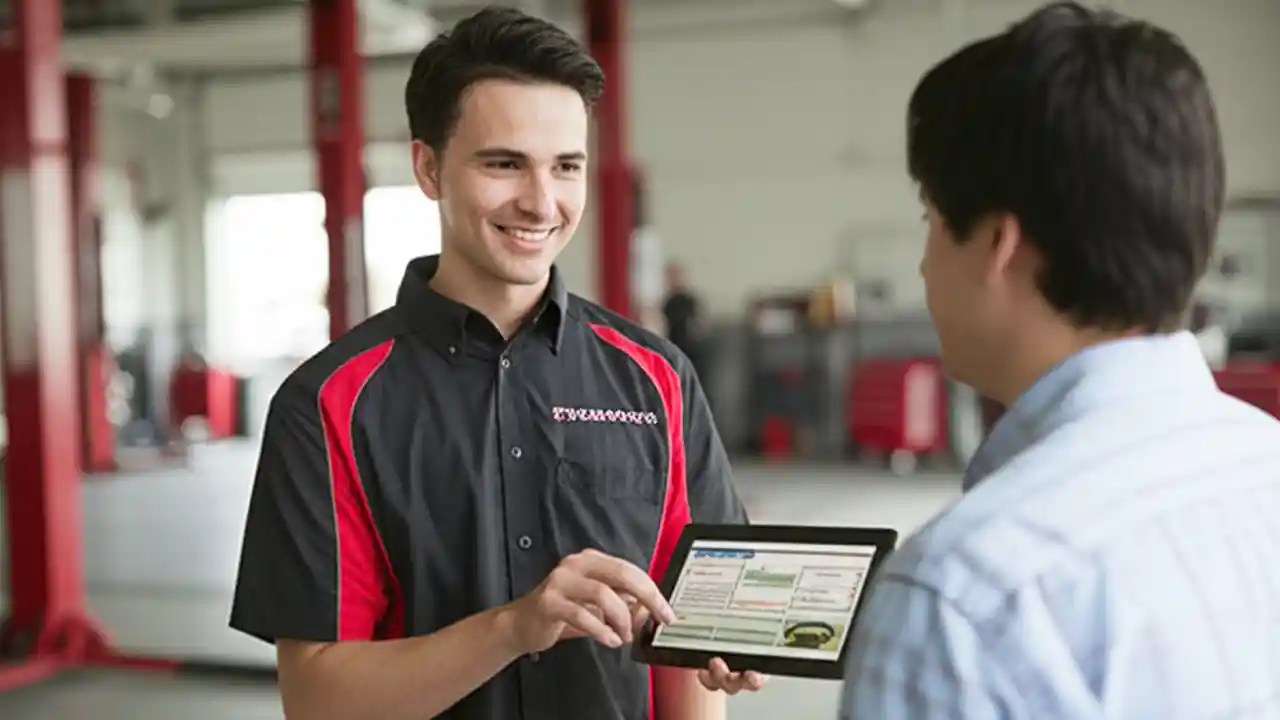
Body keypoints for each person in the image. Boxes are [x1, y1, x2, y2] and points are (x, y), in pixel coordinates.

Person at [229, 7, 762, 719]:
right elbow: (318, 698)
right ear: (428, 167)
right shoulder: (329, 404)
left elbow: (685, 639)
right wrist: (513, 628)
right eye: (504, 163)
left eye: (566, 167)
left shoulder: (656, 379)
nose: (542, 203)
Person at [841, 3, 1280, 718]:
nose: (924, 264)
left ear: (997, 245)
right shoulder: (1266, 464)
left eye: (931, 220)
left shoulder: (961, 598)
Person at [661, 261, 704, 373]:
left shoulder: (688, 300)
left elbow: (697, 325)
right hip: (672, 346)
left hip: (687, 348)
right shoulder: (668, 300)